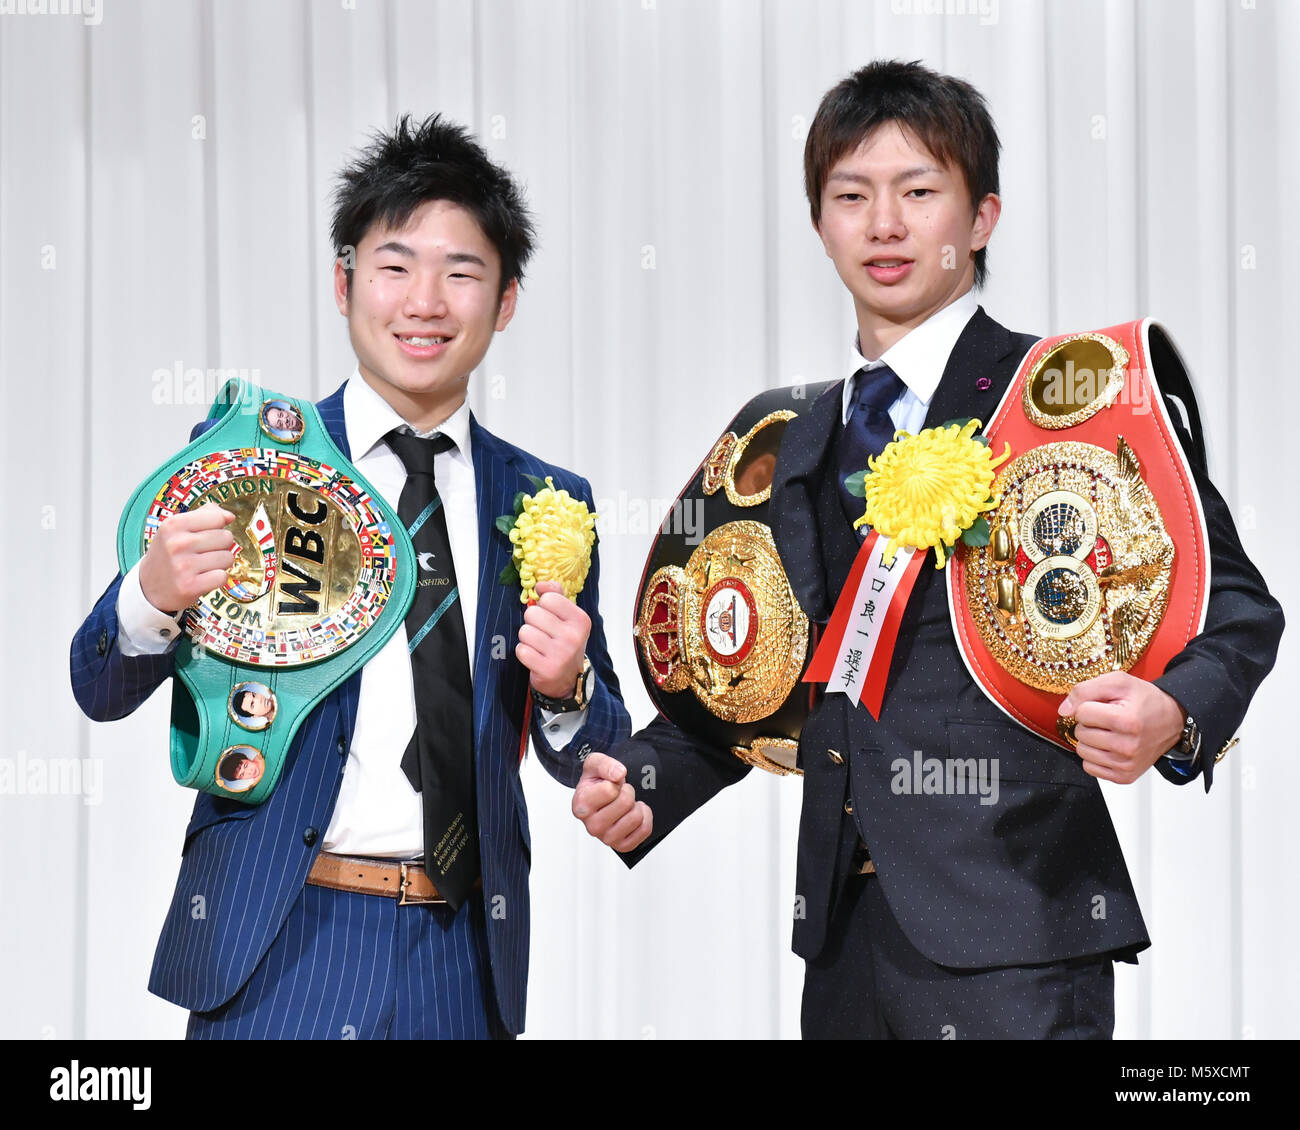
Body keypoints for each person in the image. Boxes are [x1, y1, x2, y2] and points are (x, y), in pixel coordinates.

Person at [571, 60, 1283, 1038]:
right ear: (820, 223)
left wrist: (1173, 711)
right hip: (841, 943)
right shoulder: (789, 434)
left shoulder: (1066, 392)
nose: (885, 224)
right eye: (851, 196)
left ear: (981, 217)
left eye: (919, 192)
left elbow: (1239, 610)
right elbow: (764, 683)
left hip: (1019, 933)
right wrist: (643, 786)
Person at [70, 113, 629, 1039]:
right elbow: (96, 685)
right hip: (277, 941)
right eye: (395, 266)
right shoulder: (256, 461)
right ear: (345, 282)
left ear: (506, 300)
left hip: (462, 958)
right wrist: (153, 595)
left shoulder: (547, 501)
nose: (425, 301)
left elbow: (594, 754)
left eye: (462, 272)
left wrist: (568, 686)